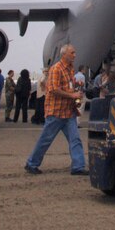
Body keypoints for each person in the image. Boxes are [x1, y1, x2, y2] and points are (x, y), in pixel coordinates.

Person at [24, 44, 87, 175]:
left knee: (75, 139)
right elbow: (53, 89)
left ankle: (78, 166)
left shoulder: (70, 69)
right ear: (64, 54)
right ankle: (31, 163)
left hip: (68, 111)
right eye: (72, 53)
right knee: (46, 139)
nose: (75, 55)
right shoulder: (56, 69)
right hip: (56, 111)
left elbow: (67, 86)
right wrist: (72, 95)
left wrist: (76, 89)